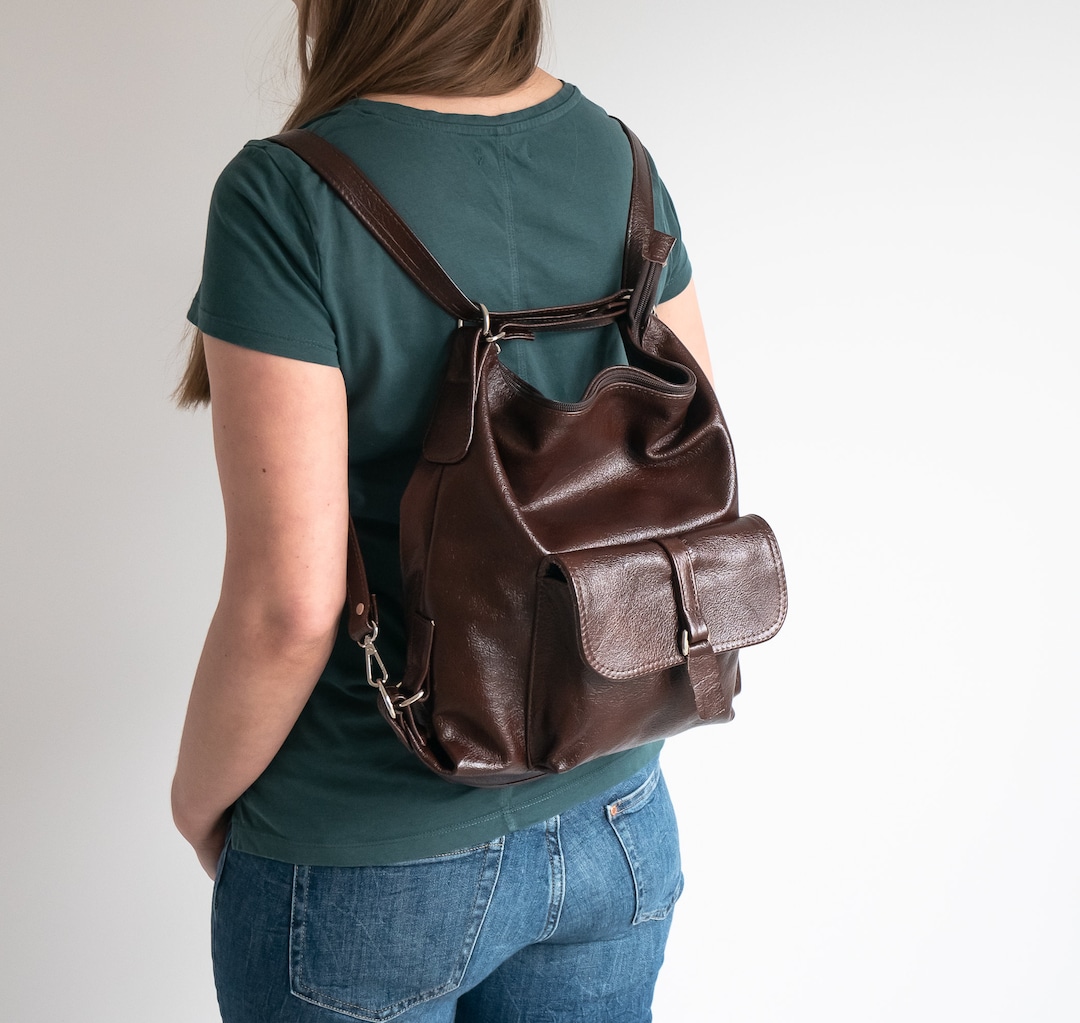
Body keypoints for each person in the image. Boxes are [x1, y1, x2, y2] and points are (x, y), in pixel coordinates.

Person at [172, 1, 714, 1020]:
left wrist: (197, 803)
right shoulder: (620, 160)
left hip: (366, 848)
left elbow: (287, 606)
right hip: (616, 817)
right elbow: (685, 481)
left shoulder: (286, 193)